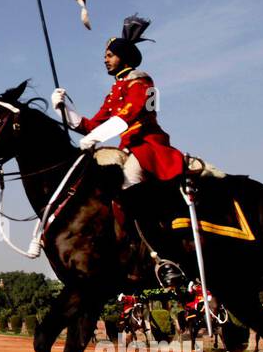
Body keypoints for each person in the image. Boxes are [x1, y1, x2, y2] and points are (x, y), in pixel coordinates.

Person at [50, 15, 188, 287]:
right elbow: (92, 123)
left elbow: (130, 114)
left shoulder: (142, 82)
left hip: (148, 146)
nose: (105, 59)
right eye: (106, 55)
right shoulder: (115, 90)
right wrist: (63, 109)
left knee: (129, 179)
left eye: (110, 55)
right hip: (127, 147)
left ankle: (164, 256)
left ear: (124, 58)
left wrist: (96, 137)